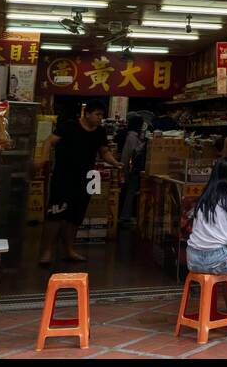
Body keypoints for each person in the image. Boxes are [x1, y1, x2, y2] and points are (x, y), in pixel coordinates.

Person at [37, 100, 125, 265]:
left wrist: (116, 163)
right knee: (55, 214)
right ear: (88, 113)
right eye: (98, 114)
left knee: (76, 216)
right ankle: (46, 251)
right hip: (63, 175)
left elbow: (104, 152)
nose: (100, 118)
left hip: (89, 177)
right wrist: (43, 159)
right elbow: (48, 141)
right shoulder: (69, 125)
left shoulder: (100, 132)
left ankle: (69, 250)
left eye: (102, 115)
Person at [118, 112, 148, 225]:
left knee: (129, 191)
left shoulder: (131, 136)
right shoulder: (132, 137)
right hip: (132, 170)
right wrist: (142, 145)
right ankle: (126, 216)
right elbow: (133, 153)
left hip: (129, 169)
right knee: (130, 191)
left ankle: (126, 215)